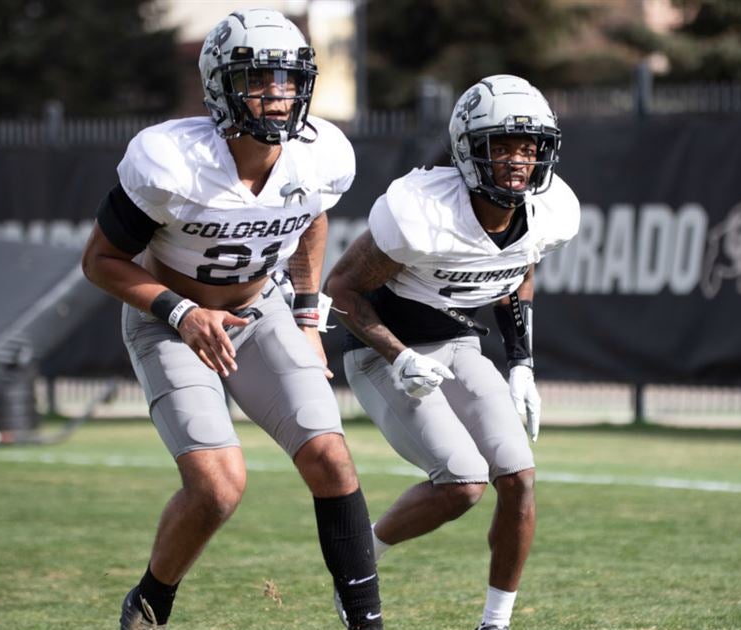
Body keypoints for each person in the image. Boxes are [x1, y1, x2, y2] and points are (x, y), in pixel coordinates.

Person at [80, 9, 383, 630]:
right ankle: (151, 601)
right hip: (168, 317)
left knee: (332, 459)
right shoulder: (173, 161)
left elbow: (311, 215)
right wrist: (182, 312)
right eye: (259, 78)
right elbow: (101, 261)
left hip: (260, 309)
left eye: (289, 79)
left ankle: (367, 623)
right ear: (220, 85)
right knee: (219, 486)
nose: (278, 94)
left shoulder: (319, 154)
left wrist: (305, 310)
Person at [324, 74, 580, 630]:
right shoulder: (422, 210)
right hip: (381, 350)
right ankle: (359, 562)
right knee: (464, 482)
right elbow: (339, 290)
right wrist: (398, 356)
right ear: (469, 150)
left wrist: (522, 364)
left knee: (518, 477)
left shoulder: (549, 210)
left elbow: (518, 268)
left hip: (459, 344)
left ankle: (496, 622)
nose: (518, 160)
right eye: (502, 146)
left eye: (529, 146)